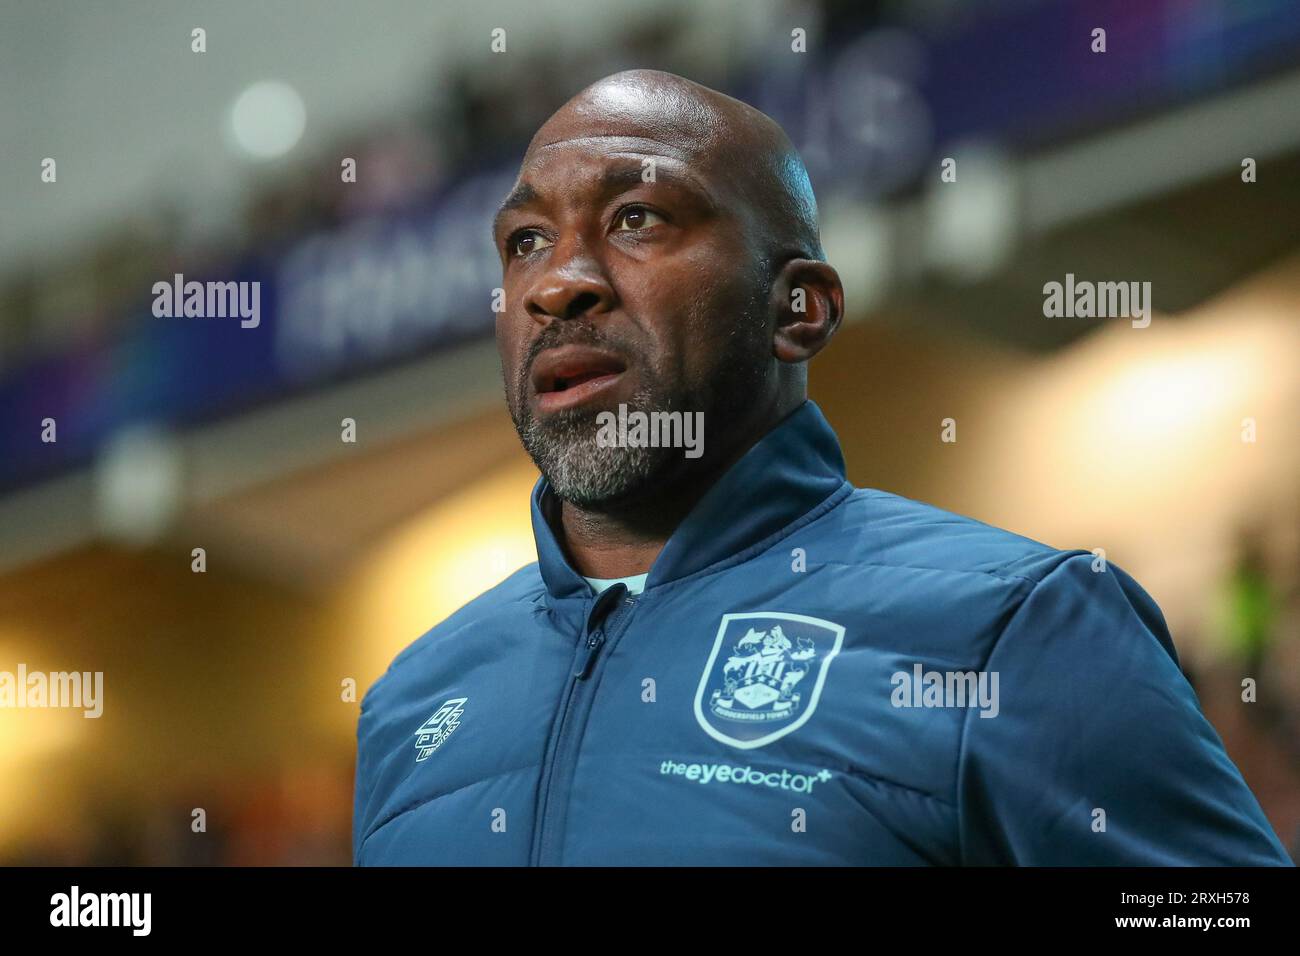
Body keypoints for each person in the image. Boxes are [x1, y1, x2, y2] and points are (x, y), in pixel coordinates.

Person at [353, 69, 1292, 866]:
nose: (559, 281)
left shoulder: (1016, 627)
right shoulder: (415, 700)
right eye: (526, 242)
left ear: (797, 311)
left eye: (637, 219)